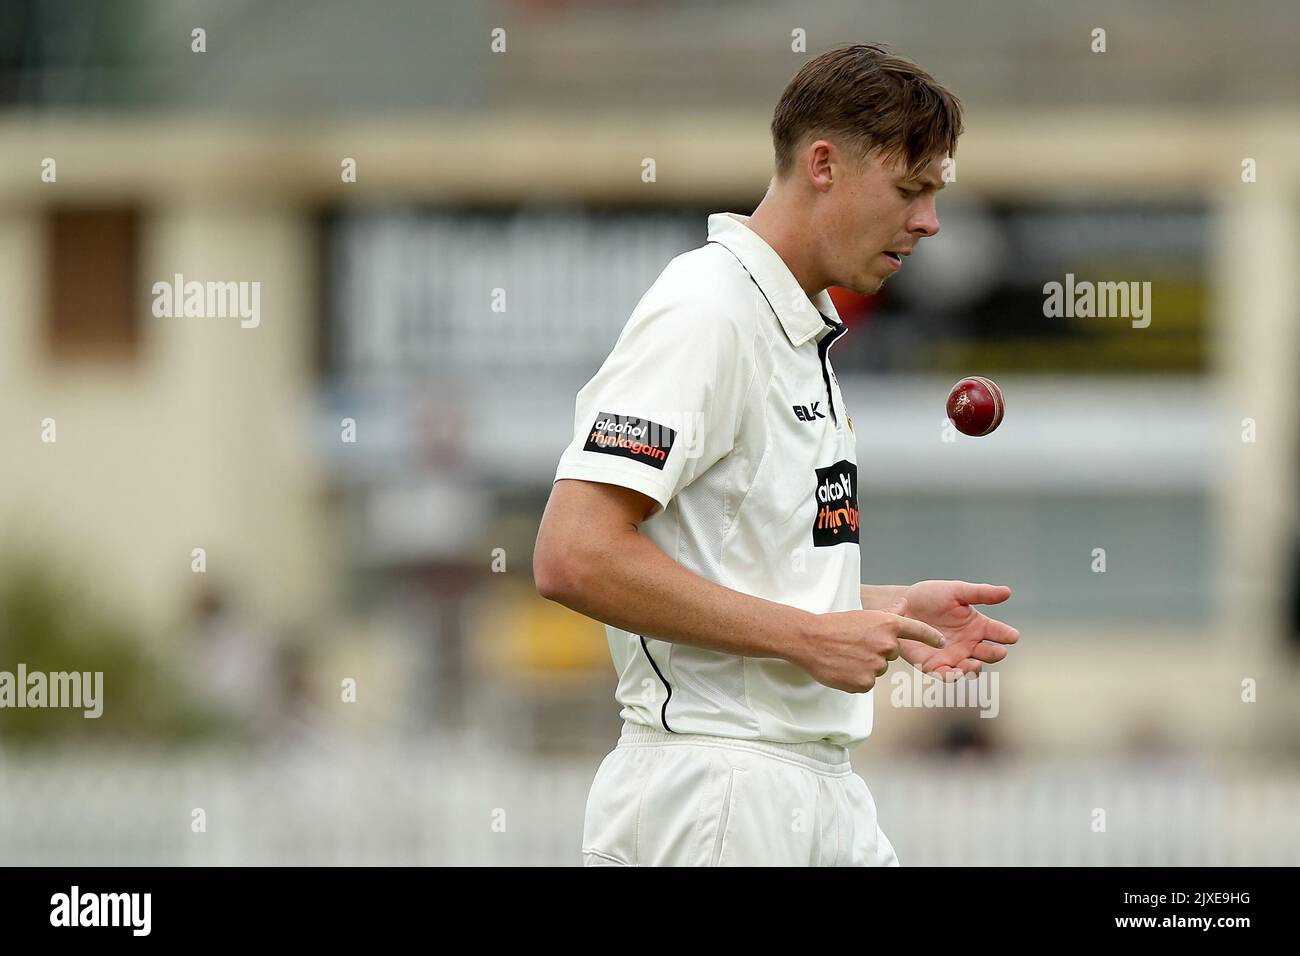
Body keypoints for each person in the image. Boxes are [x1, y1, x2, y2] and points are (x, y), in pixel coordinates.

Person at [534, 43, 1020, 867]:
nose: (930, 220)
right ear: (823, 164)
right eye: (912, 189)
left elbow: (735, 561)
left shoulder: (798, 328)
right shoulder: (708, 310)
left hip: (815, 782)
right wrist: (806, 636)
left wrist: (888, 612)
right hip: (715, 789)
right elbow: (572, 554)